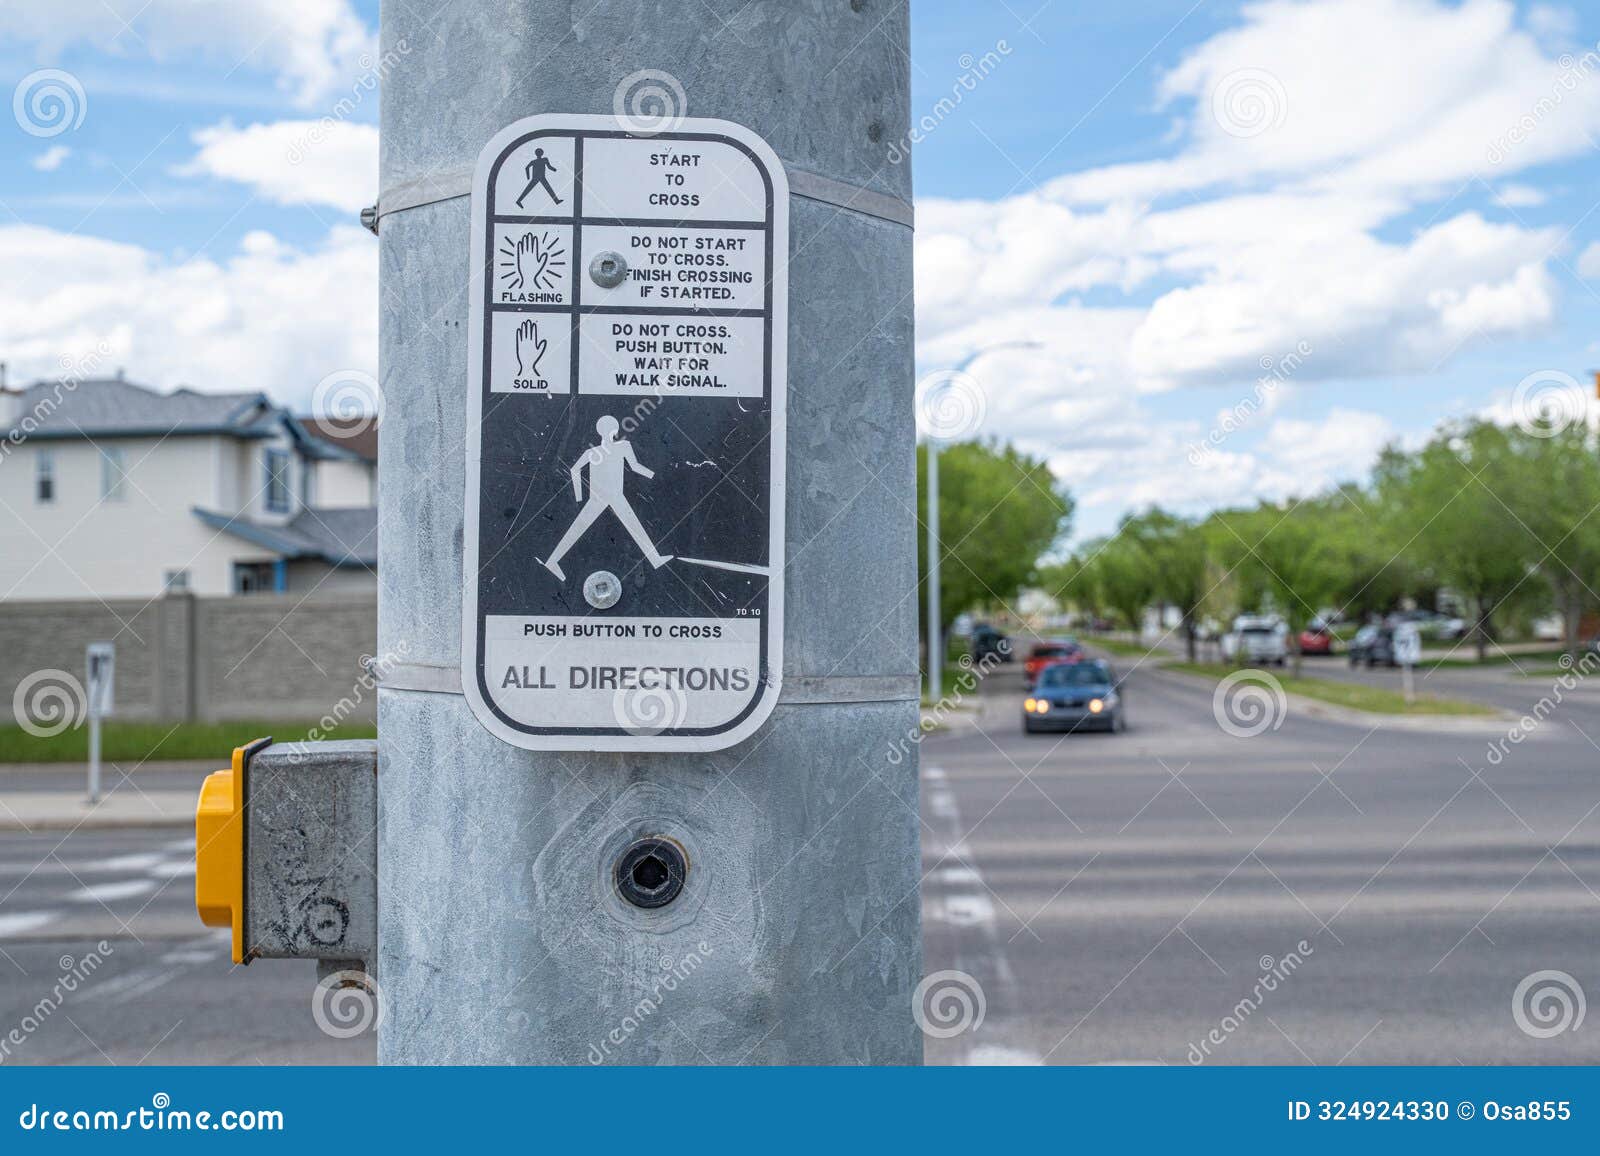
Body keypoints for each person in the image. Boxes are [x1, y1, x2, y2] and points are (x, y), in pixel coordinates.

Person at [542, 416, 671, 581]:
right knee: (631, 527)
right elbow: (635, 467)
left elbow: (575, 470)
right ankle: (655, 559)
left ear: (599, 431)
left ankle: (655, 559)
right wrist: (655, 476)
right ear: (615, 431)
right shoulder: (621, 446)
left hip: (606, 496)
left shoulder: (593, 452)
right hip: (606, 496)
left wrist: (579, 495)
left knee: (628, 526)